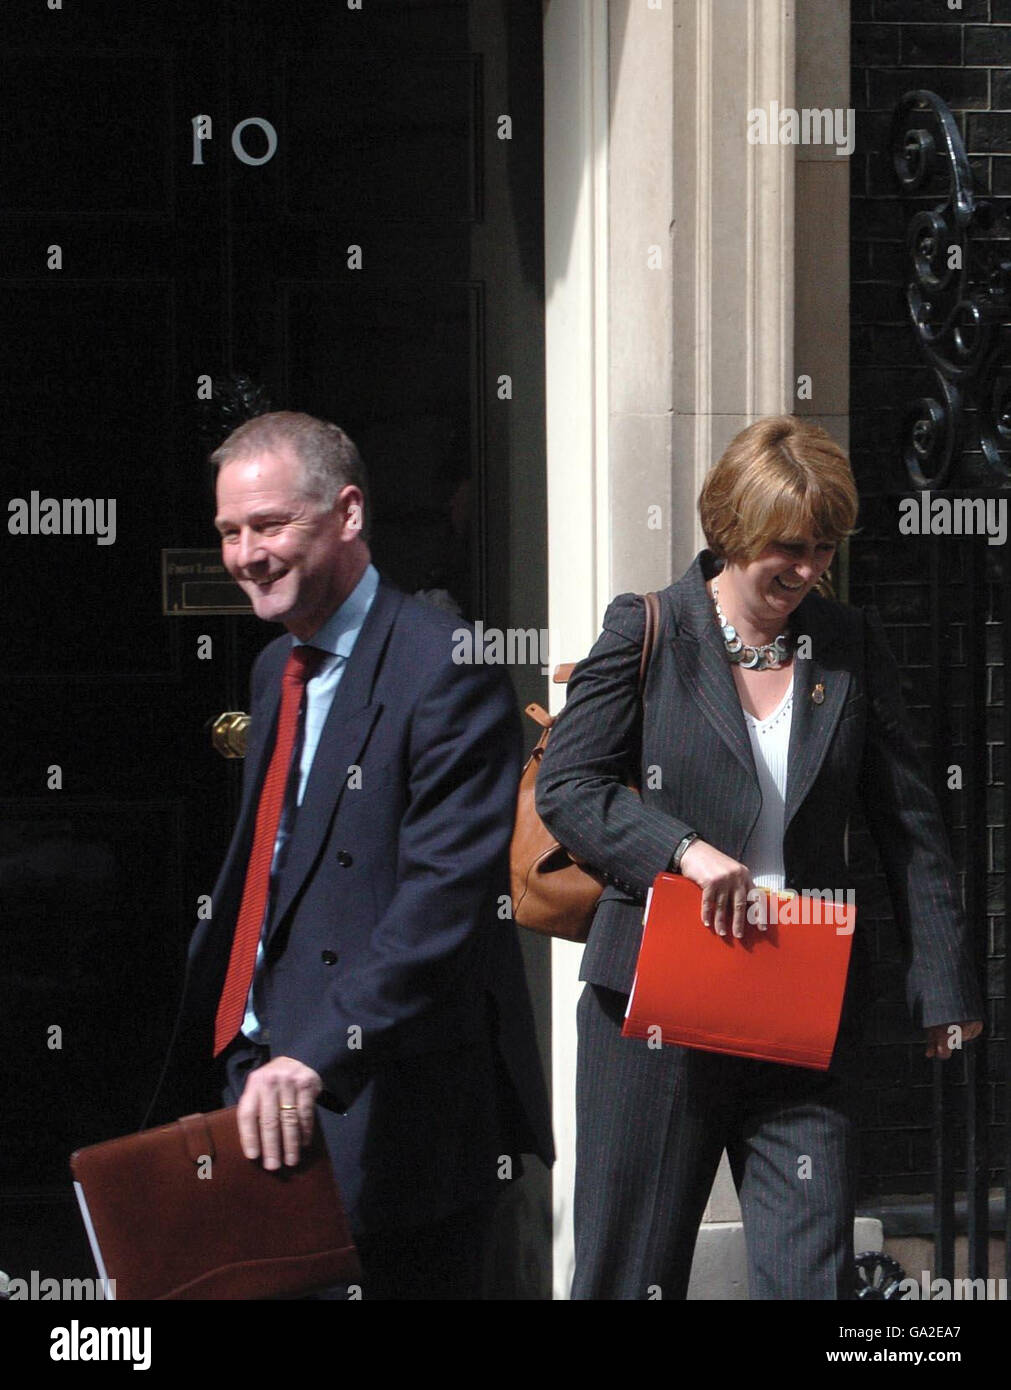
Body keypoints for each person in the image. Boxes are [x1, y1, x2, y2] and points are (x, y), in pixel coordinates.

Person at [535, 415, 983, 1301]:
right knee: (630, 1276)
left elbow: (908, 823)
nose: (809, 570)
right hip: (655, 1006)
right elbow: (570, 790)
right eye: (788, 548)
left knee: (813, 1280)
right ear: (731, 531)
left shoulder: (846, 645)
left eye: (823, 549)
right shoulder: (647, 629)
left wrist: (944, 982)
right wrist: (683, 851)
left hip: (799, 997)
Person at [153, 410, 552, 1299]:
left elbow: (441, 901)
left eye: (270, 525)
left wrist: (320, 1052)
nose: (247, 554)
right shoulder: (273, 669)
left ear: (347, 513)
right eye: (228, 532)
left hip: (385, 1104)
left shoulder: (445, 663)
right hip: (260, 1084)